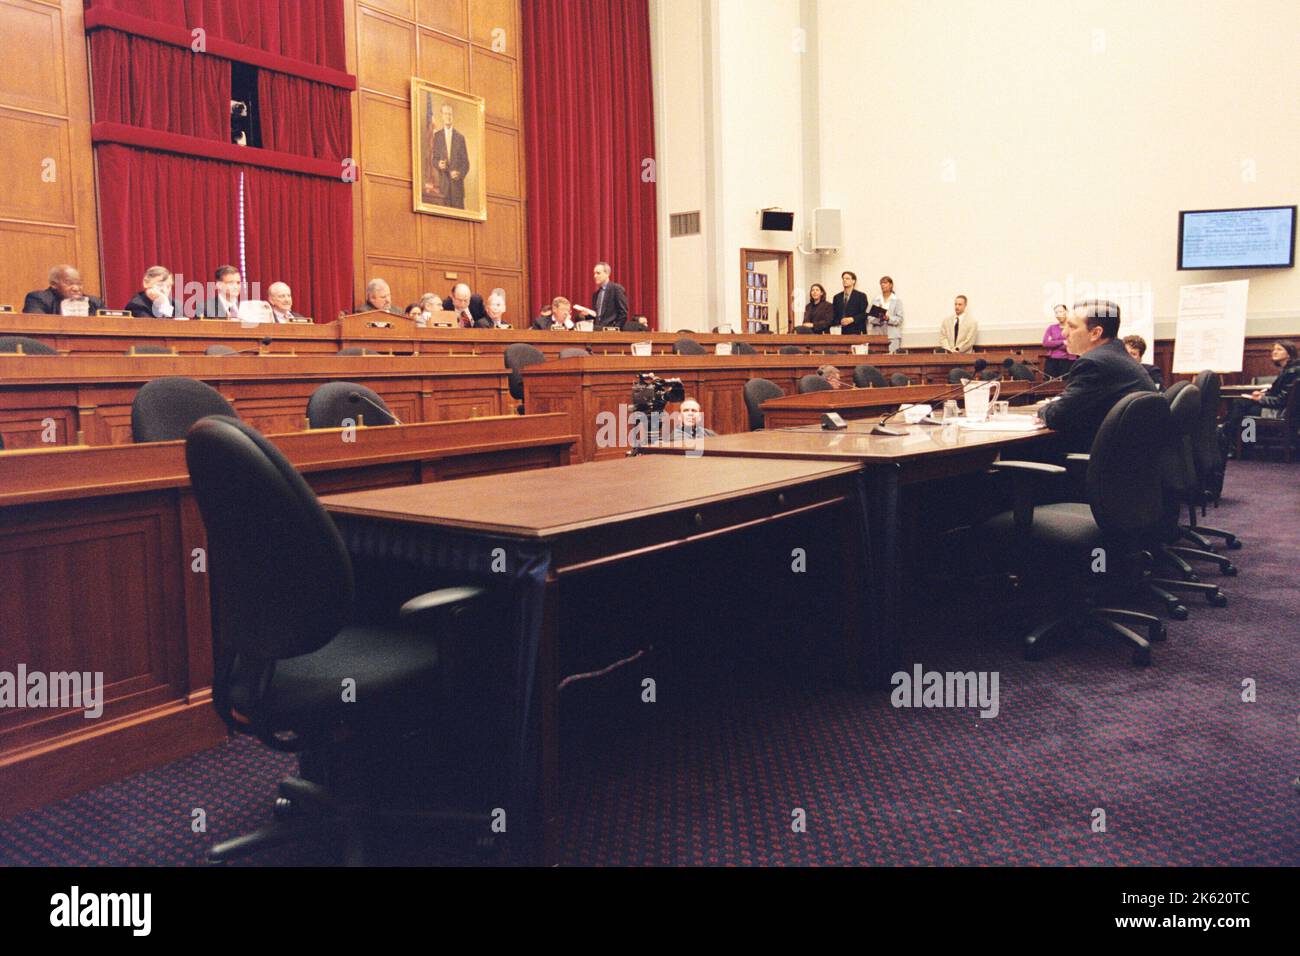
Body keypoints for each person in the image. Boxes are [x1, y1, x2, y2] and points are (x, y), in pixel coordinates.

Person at [1039, 300, 1156, 451]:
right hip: (1133, 457)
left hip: (1104, 461)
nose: (1064, 333)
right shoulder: (1116, 353)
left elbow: (1057, 416)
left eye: (1072, 327)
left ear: (1095, 333)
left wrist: (1044, 409)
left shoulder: (1093, 363)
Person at [1221, 340, 1300, 444]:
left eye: (1279, 349)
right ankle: (1240, 441)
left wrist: (1260, 398)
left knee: (1240, 406)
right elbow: (1279, 394)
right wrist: (1263, 395)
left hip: (1282, 413)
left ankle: (1231, 440)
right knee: (1241, 404)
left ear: (1289, 354)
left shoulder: (1291, 372)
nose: (1274, 352)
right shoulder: (1290, 370)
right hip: (1284, 411)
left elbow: (1281, 401)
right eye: (1274, 349)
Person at [430, 103, 470, 209]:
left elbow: (466, 164)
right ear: (442, 116)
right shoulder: (437, 136)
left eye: (450, 114)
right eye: (446, 114)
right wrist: (438, 164)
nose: (448, 116)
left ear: (452, 116)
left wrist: (459, 173)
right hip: (443, 189)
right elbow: (434, 160)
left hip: (457, 190)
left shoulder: (460, 138)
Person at [23, 265, 104, 315]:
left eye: (79, 284)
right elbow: (37, 324)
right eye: (69, 283)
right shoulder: (38, 299)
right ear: (53, 284)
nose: (76, 288)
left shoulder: (94, 303)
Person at [573, 262, 628, 329]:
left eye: (598, 273)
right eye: (594, 273)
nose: (595, 276)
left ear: (607, 274)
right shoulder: (596, 294)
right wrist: (588, 315)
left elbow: (623, 313)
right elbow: (598, 316)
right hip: (597, 329)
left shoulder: (616, 289)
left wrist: (616, 328)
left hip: (611, 331)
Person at [869, 276, 905, 353]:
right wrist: (879, 319)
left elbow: (900, 319)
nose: (882, 285)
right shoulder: (876, 300)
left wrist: (888, 318)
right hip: (877, 335)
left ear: (891, 285)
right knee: (877, 359)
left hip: (892, 336)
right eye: (881, 283)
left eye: (885, 283)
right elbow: (869, 318)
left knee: (892, 359)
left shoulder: (897, 300)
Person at [1042, 304, 1076, 378]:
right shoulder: (1051, 328)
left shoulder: (1073, 327)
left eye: (1060, 312)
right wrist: (1062, 342)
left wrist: (1053, 343)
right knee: (1049, 382)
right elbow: (1045, 343)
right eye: (1056, 313)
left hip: (1068, 360)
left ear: (1066, 312)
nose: (1058, 315)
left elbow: (1071, 344)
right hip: (1052, 360)